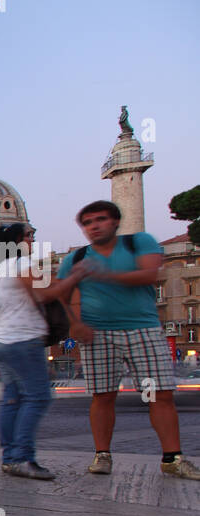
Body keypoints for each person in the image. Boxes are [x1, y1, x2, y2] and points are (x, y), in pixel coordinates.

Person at [59, 200, 199, 479]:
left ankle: (172, 458)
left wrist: (103, 274)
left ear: (115, 222)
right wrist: (75, 324)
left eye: (100, 219)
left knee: (159, 394)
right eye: (87, 222)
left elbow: (149, 274)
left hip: (143, 328)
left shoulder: (140, 242)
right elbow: (63, 294)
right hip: (97, 333)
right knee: (102, 396)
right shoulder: (74, 259)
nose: (94, 226)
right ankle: (102, 455)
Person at [0, 222, 79, 479]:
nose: (32, 240)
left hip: (2, 340)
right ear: (15, 241)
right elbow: (44, 294)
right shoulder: (20, 264)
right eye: (28, 236)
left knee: (12, 399)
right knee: (38, 397)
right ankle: (22, 458)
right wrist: (75, 276)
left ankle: (9, 458)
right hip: (23, 340)